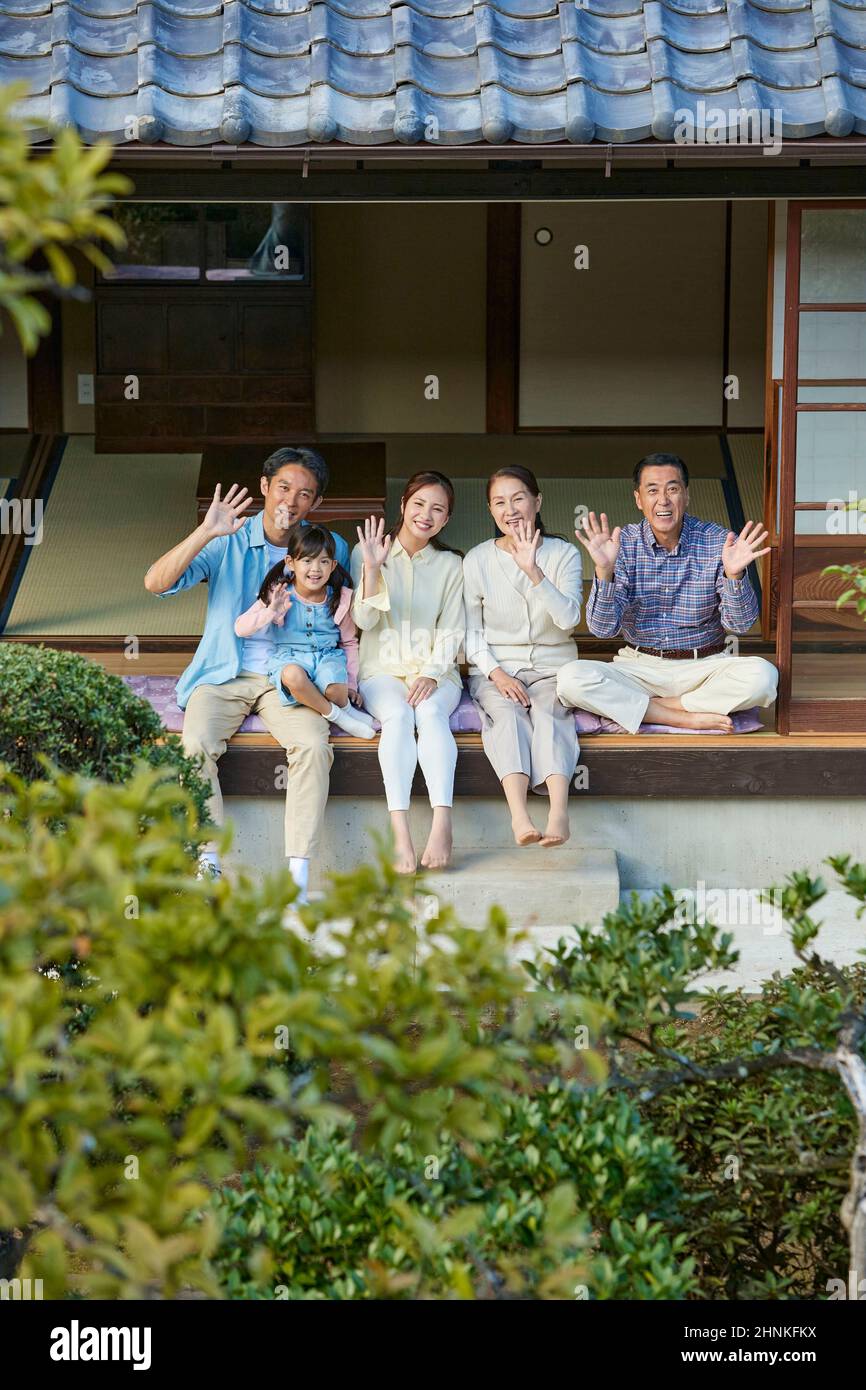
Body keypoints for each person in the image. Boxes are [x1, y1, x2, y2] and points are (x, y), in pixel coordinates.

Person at [144, 445, 351, 900]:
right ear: (264, 486)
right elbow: (156, 583)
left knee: (314, 745)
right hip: (225, 672)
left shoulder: (330, 548)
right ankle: (208, 863)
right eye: (283, 487)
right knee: (195, 745)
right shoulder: (229, 538)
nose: (290, 501)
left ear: (316, 502)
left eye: (304, 494)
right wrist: (205, 531)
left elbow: (353, 617)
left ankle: (296, 880)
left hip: (293, 678)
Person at [556, 453, 778, 732]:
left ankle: (653, 708)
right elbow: (603, 630)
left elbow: (741, 625)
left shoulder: (718, 541)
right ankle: (684, 716)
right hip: (639, 668)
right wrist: (603, 571)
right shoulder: (622, 544)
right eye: (652, 490)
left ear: (686, 495)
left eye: (672, 489)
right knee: (571, 678)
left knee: (763, 677)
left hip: (704, 667)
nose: (663, 500)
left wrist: (734, 575)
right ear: (638, 499)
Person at [350, 471, 465, 875]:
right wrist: (372, 569)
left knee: (431, 713)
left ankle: (442, 823)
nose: (425, 515)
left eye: (437, 509)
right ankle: (400, 833)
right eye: (418, 504)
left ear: (447, 519)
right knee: (398, 716)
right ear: (403, 505)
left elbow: (453, 629)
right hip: (381, 671)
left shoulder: (452, 565)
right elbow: (363, 620)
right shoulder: (366, 551)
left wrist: (432, 673)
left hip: (437, 672)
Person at [463, 466, 583, 848]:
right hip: (497, 669)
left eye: (518, 499)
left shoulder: (563, 554)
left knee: (549, 713)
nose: (510, 510)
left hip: (554, 666)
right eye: (499, 502)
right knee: (507, 715)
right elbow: (470, 632)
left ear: (537, 501)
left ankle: (558, 813)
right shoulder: (477, 559)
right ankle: (519, 816)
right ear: (490, 510)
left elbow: (568, 619)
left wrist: (534, 572)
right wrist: (497, 675)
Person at [233, 522, 375, 740]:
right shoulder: (279, 593)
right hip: (290, 659)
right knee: (292, 675)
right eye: (307, 560)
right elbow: (240, 628)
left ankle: (344, 706)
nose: (315, 569)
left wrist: (352, 684)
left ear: (333, 565)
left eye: (323, 561)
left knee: (335, 689)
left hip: (327, 657)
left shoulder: (340, 597)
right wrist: (270, 612)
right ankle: (340, 717)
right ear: (290, 562)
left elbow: (349, 642)